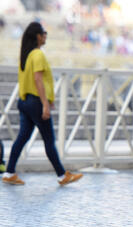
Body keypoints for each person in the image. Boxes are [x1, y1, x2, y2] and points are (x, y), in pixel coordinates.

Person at [2, 22, 82, 186]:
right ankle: (61, 175)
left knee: (22, 138)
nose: (46, 35)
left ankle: (9, 172)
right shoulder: (38, 55)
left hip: (24, 101)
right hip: (35, 102)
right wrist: (45, 104)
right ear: (38, 36)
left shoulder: (27, 55)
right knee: (48, 140)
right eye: (44, 32)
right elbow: (38, 79)